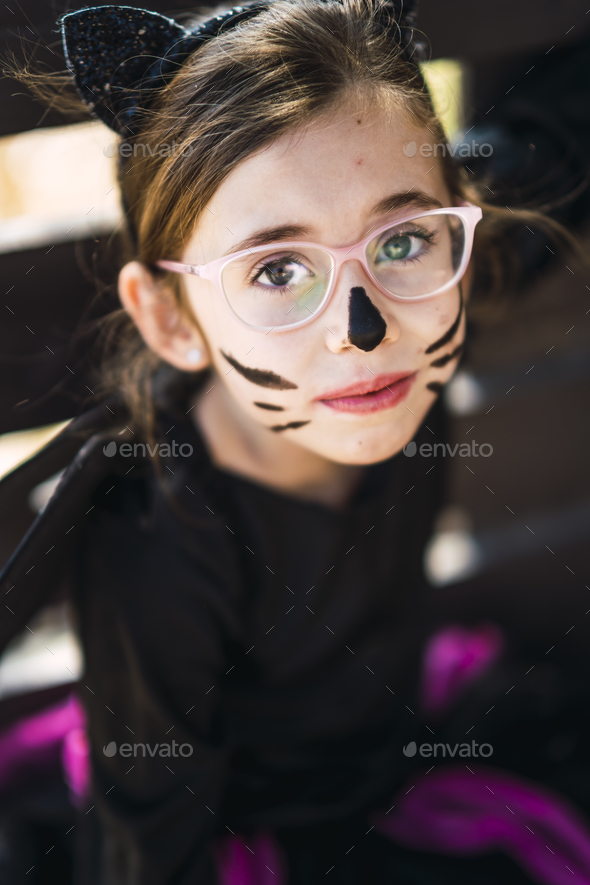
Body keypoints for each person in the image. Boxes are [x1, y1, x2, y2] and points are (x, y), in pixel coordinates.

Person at [1, 2, 588, 884]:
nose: (361, 329)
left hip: (388, 754)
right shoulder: (156, 543)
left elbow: (552, 150)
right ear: (170, 318)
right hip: (242, 832)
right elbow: (149, 841)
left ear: (458, 230)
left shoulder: (427, 303)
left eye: (401, 238)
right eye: (277, 269)